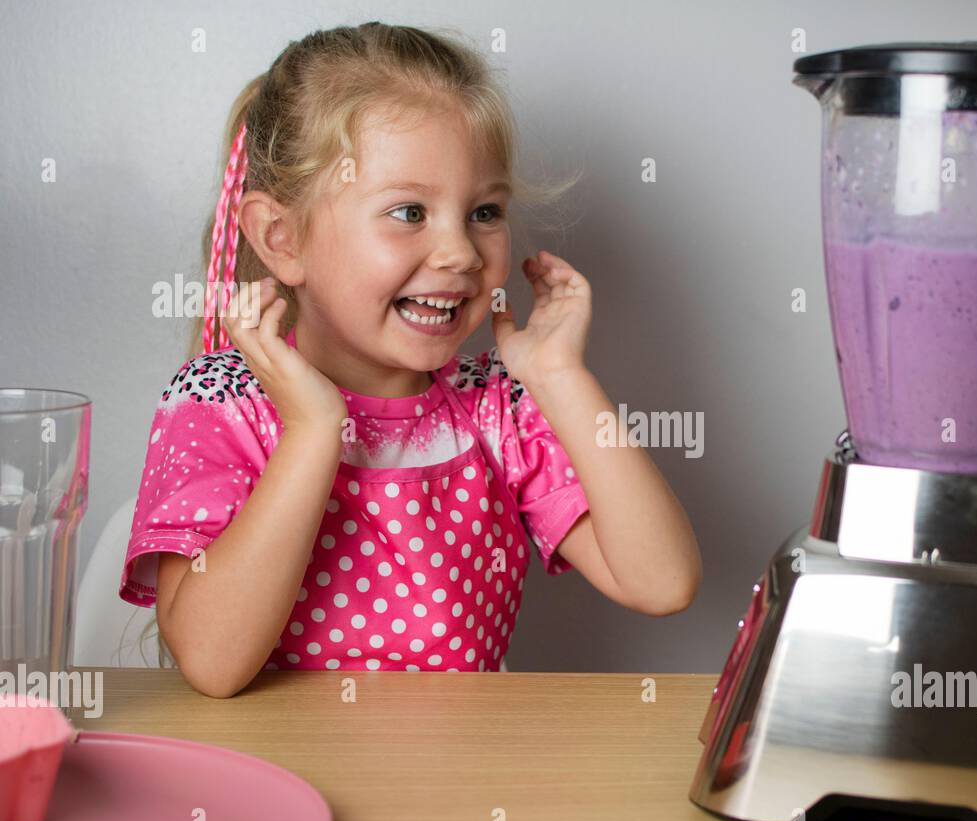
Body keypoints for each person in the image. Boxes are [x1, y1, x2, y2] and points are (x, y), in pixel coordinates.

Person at [119, 22, 701, 696]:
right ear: (282, 239)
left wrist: (560, 377)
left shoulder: (499, 409)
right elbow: (213, 664)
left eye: (484, 210)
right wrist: (312, 430)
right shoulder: (219, 403)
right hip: (274, 785)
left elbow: (663, 583)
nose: (459, 252)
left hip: (454, 787)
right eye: (408, 212)